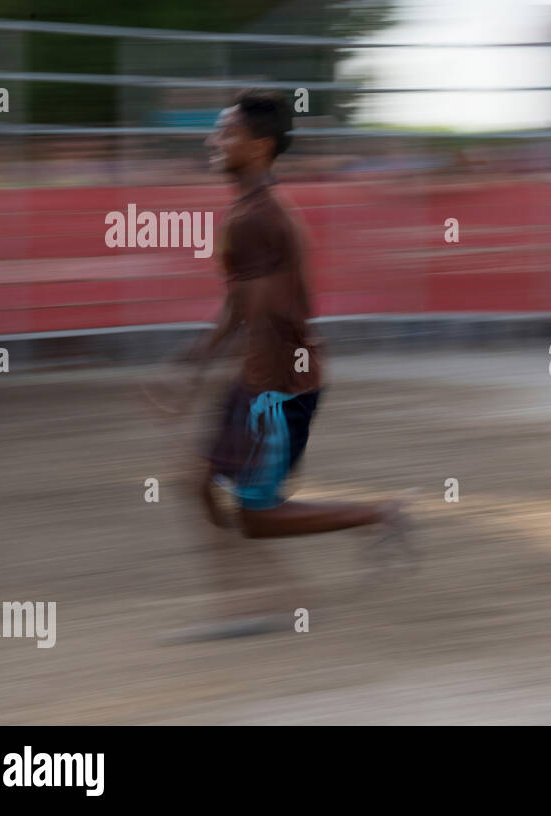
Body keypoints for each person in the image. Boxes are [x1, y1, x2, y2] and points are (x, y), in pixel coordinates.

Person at [148, 90, 409, 637]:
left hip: (277, 386)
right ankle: (245, 602)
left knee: (258, 515)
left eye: (227, 133)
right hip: (263, 379)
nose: (213, 141)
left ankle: (378, 515)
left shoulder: (259, 217)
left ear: (261, 146)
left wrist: (216, 380)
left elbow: (259, 311)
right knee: (196, 482)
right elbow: (242, 303)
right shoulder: (249, 210)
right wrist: (194, 367)